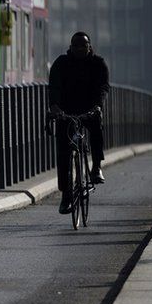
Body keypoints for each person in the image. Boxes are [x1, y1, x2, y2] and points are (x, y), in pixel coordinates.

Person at [48, 32, 109, 214]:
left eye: (83, 46)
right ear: (71, 47)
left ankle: (96, 166)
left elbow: (103, 87)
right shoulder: (61, 63)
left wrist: (98, 106)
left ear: (90, 46)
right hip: (66, 110)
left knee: (96, 127)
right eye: (76, 46)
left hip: (89, 109)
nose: (80, 49)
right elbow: (54, 86)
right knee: (64, 151)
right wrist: (55, 107)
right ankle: (66, 195)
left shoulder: (98, 64)